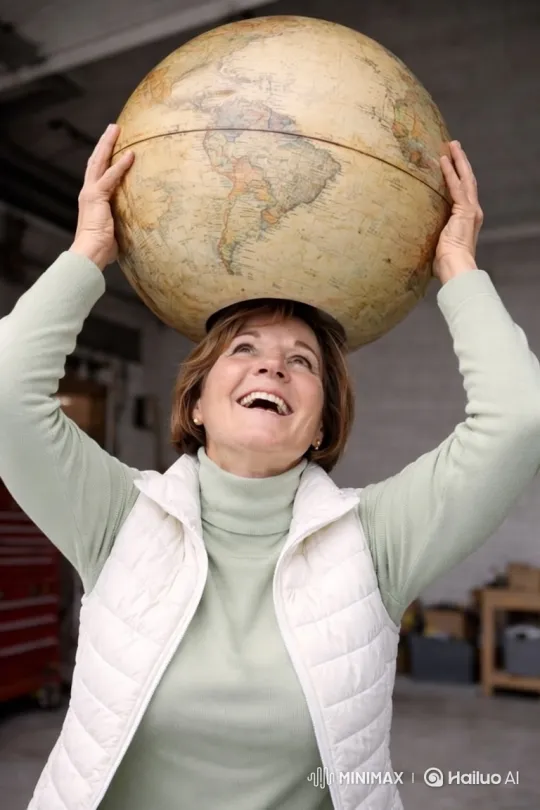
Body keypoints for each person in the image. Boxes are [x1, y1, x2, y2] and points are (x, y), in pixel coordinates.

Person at [1, 124, 540, 810]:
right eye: (245, 349)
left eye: (302, 361)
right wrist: (88, 252)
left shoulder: (377, 540)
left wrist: (458, 264)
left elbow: (518, 417)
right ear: (195, 402)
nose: (271, 365)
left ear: (323, 424)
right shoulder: (115, 516)